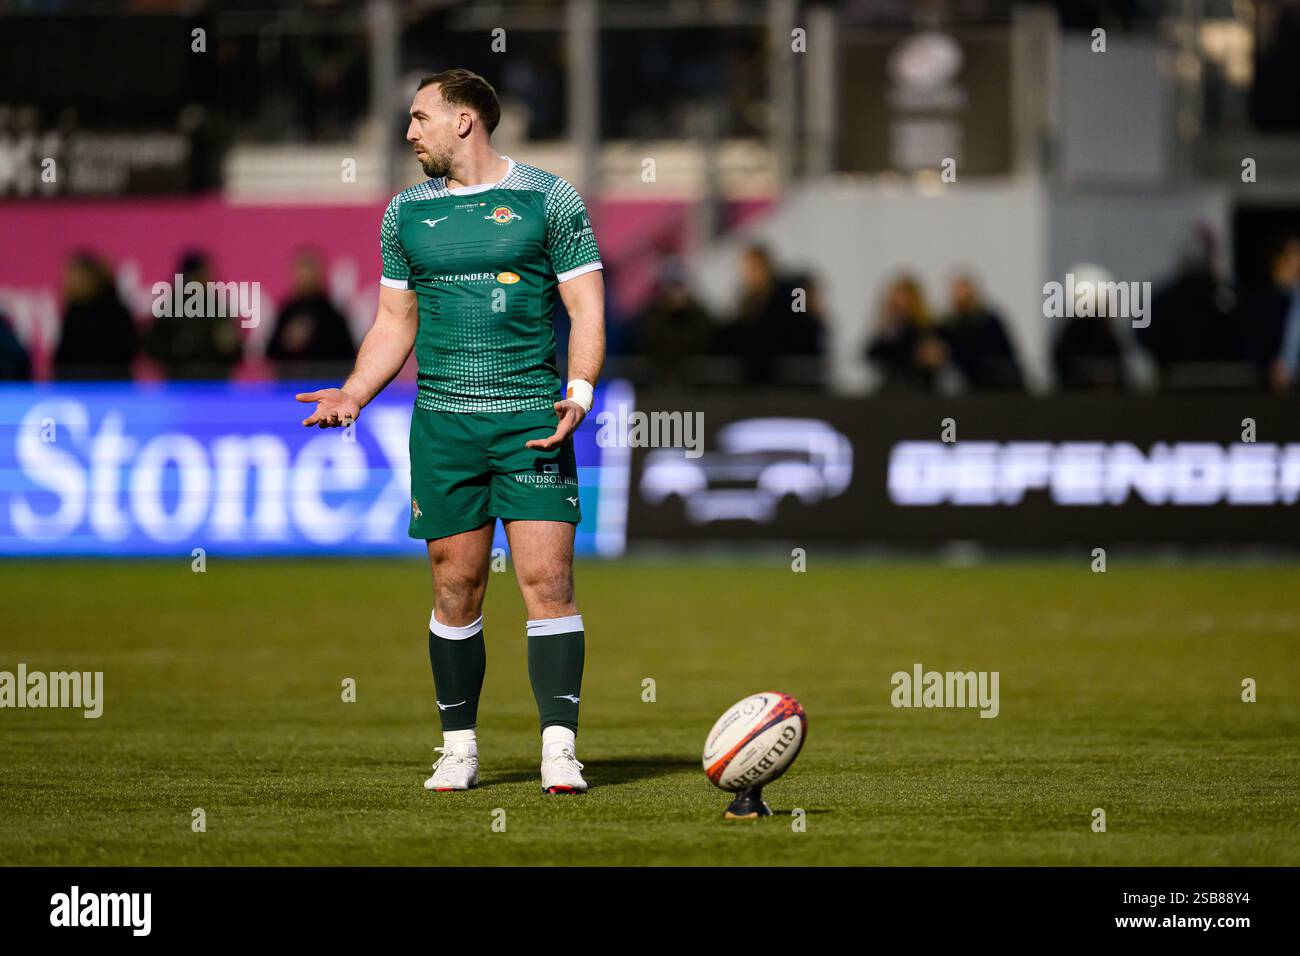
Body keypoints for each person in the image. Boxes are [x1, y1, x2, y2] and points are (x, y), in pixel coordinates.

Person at [296, 69, 603, 795]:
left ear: (465, 120)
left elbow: (587, 307)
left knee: (547, 581)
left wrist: (580, 392)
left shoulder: (549, 198)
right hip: (443, 425)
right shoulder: (405, 213)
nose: (409, 133)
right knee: (455, 586)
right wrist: (355, 392)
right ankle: (459, 747)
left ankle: (559, 749)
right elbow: (393, 322)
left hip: (532, 419)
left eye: (419, 117)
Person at [144, 251, 243, 379]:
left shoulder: (215, 307)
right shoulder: (172, 307)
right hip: (183, 383)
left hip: (211, 384)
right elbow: (153, 345)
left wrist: (229, 346)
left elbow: (233, 349)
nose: (210, 278)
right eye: (205, 273)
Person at [266, 247, 356, 377]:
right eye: (301, 272)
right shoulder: (286, 312)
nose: (305, 278)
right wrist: (287, 342)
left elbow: (346, 356)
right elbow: (271, 354)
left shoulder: (333, 315)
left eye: (310, 271)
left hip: (325, 386)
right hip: (290, 388)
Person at [53, 251, 136, 380]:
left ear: (90, 277)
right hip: (74, 388)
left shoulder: (113, 311)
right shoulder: (73, 311)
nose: (69, 282)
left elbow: (127, 351)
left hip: (109, 389)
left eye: (76, 276)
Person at [937, 274, 1023, 390]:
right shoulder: (947, 326)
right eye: (957, 292)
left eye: (964, 292)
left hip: (993, 384)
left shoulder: (989, 323)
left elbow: (1003, 356)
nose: (960, 296)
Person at [864, 274, 943, 391]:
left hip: (921, 388)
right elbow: (871, 353)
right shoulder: (889, 327)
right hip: (892, 386)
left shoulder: (926, 327)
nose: (902, 301)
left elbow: (931, 359)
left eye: (906, 297)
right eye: (898, 296)